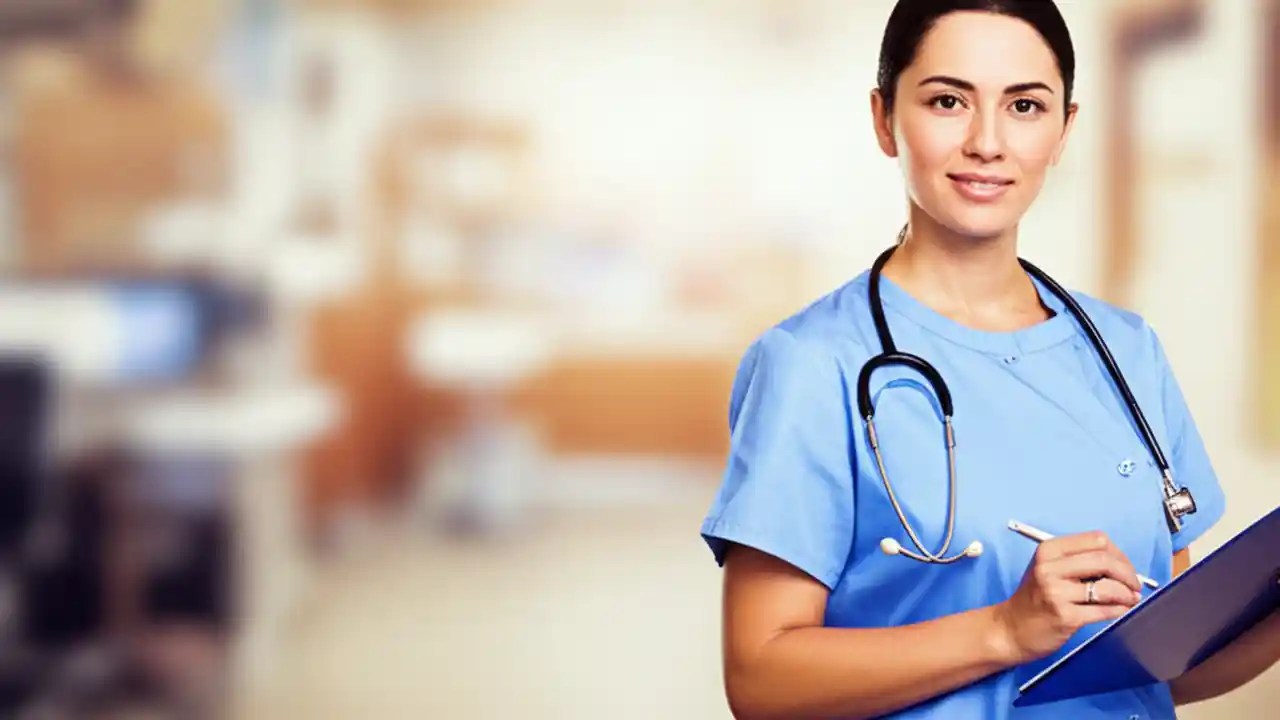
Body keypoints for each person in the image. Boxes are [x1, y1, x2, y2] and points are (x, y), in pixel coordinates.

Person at [699, 1, 1280, 718]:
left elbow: (1167, 669)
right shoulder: (811, 364)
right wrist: (1004, 631)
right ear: (885, 119)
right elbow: (761, 682)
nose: (987, 141)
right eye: (948, 101)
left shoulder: (1128, 352)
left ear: (1065, 129)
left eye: (1025, 106)